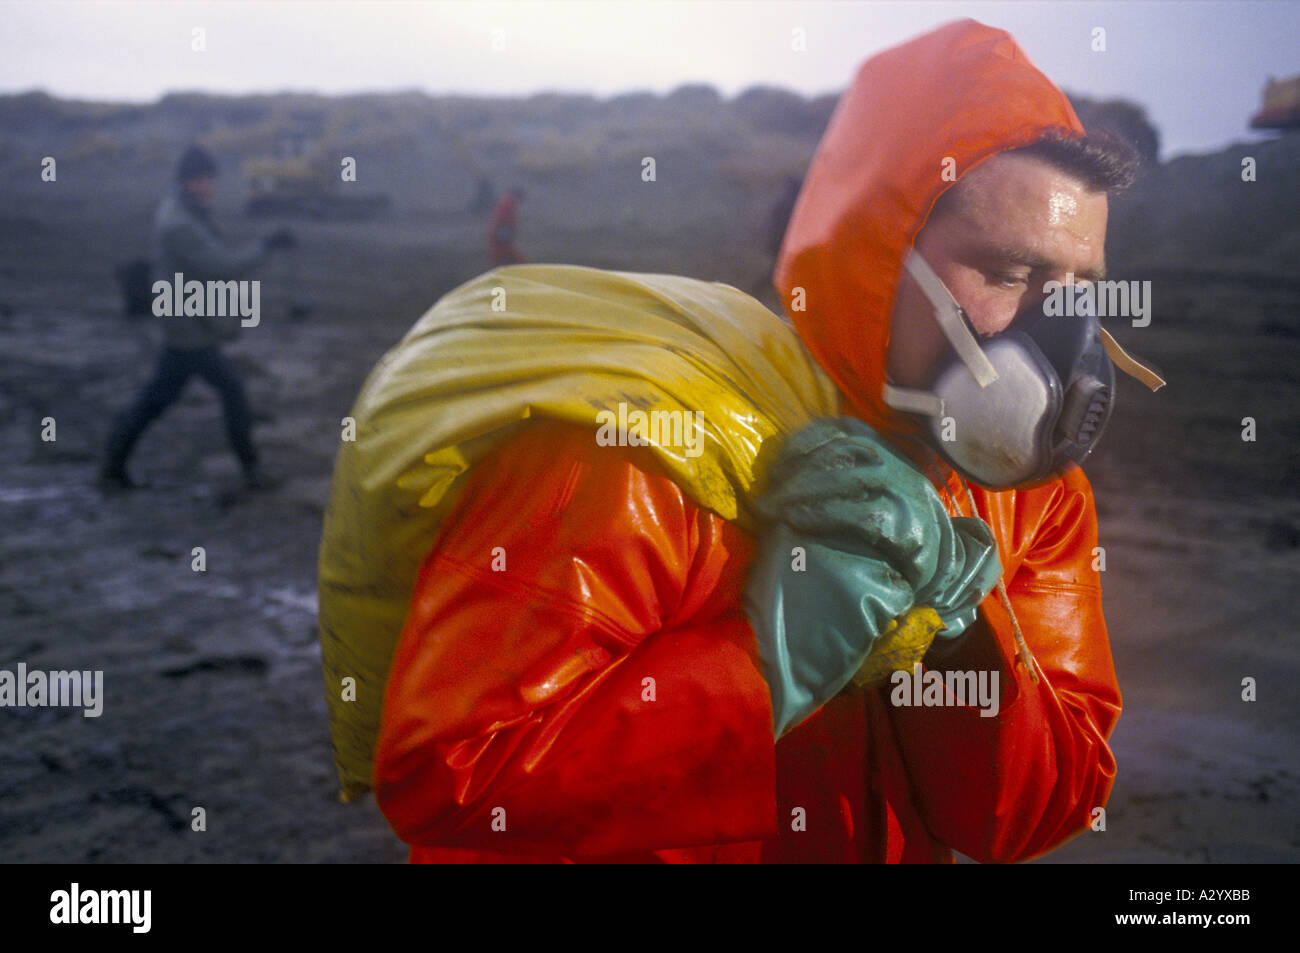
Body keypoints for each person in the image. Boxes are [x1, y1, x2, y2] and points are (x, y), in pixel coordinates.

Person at [320, 20, 1159, 862]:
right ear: (879, 256)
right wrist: (765, 662)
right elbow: (454, 783)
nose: (1060, 332)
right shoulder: (640, 450)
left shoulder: (1034, 502)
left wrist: (961, 636)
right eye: (1009, 275)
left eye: (1078, 287)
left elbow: (1042, 810)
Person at [99, 145, 295, 491]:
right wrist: (266, 246)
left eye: (211, 179)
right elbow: (221, 267)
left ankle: (112, 466)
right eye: (203, 179)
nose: (210, 186)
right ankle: (251, 470)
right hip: (187, 328)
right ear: (187, 181)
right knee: (230, 390)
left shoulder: (183, 211)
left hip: (184, 321)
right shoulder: (180, 224)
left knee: (156, 399)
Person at [486, 187, 526, 265]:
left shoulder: (506, 201)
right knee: (506, 249)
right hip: (503, 229)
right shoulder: (508, 203)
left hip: (501, 229)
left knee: (502, 249)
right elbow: (505, 218)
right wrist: (508, 230)